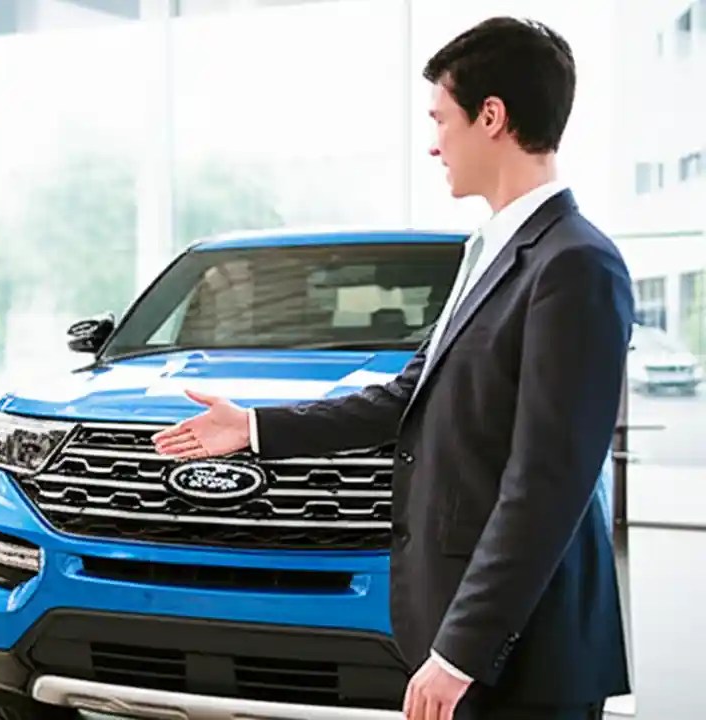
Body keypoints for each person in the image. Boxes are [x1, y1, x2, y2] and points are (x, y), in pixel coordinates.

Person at [153, 17, 631, 720]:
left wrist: (461, 652)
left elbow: (547, 486)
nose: (434, 143)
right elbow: (408, 396)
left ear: (491, 117)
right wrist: (253, 427)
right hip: (475, 634)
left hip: (525, 654)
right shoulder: (491, 251)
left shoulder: (575, 265)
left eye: (442, 119)